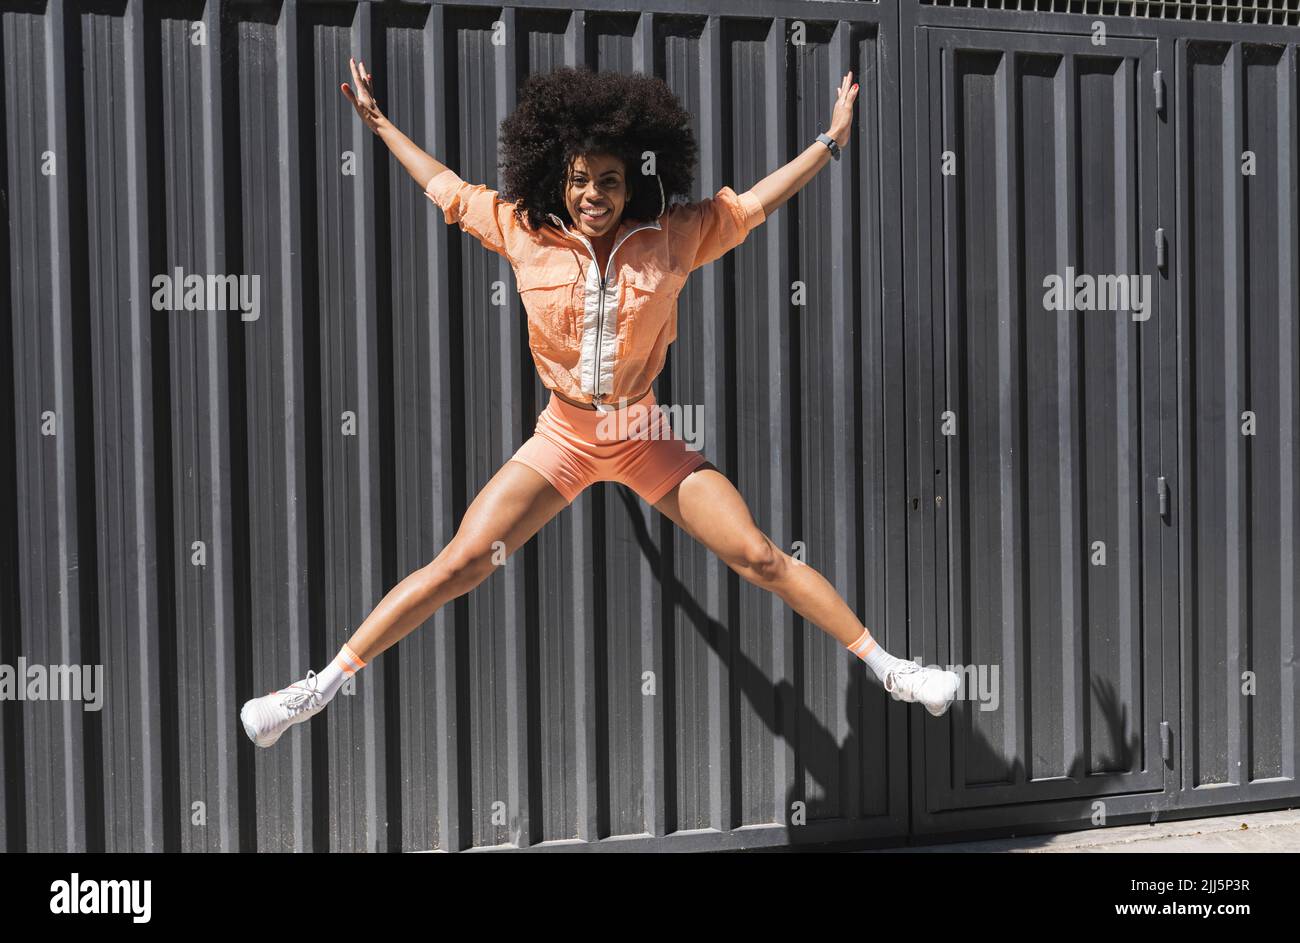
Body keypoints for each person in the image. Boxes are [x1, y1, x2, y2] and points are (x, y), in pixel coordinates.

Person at [240, 60, 959, 750]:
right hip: (564, 437)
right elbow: (450, 192)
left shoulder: (673, 238)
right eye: (581, 180)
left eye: (609, 182)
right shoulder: (526, 234)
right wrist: (381, 126)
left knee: (758, 555)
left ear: (634, 183)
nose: (593, 195)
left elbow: (757, 202)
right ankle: (318, 686)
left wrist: (830, 140)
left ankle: (889, 666)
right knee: (462, 563)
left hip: (642, 434)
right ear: (559, 177)